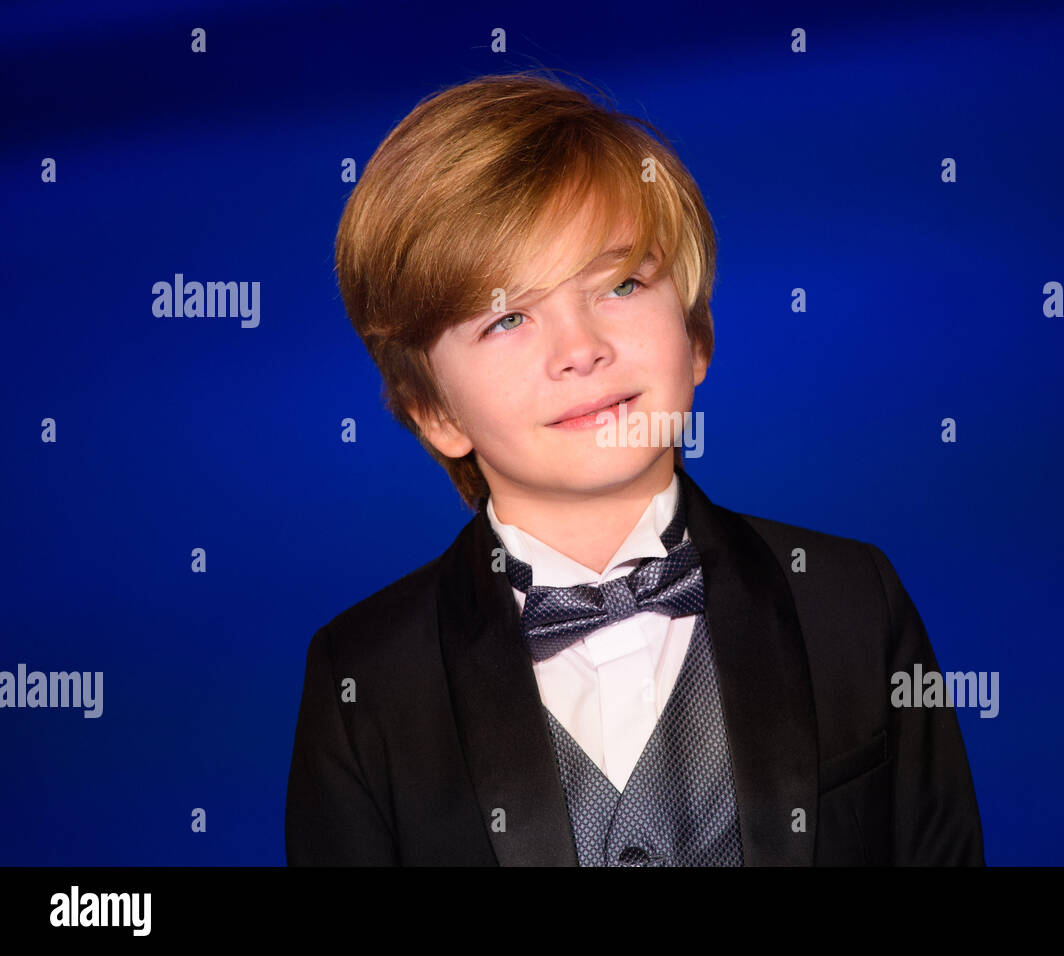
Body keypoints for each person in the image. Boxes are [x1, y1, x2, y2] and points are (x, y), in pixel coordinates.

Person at [285, 70, 984, 866]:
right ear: (434, 412)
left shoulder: (850, 600)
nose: (581, 349)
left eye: (620, 284)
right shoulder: (366, 681)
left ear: (697, 337)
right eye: (508, 317)